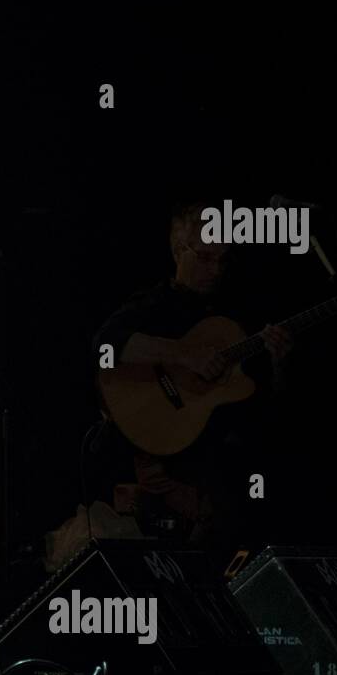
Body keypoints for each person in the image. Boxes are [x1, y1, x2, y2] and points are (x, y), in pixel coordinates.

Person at [87, 200, 294, 562]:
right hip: (161, 459)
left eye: (222, 260)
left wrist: (279, 365)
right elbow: (105, 343)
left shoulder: (237, 313)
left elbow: (265, 408)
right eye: (204, 257)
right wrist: (185, 355)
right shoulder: (156, 303)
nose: (215, 269)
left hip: (222, 465)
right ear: (178, 252)